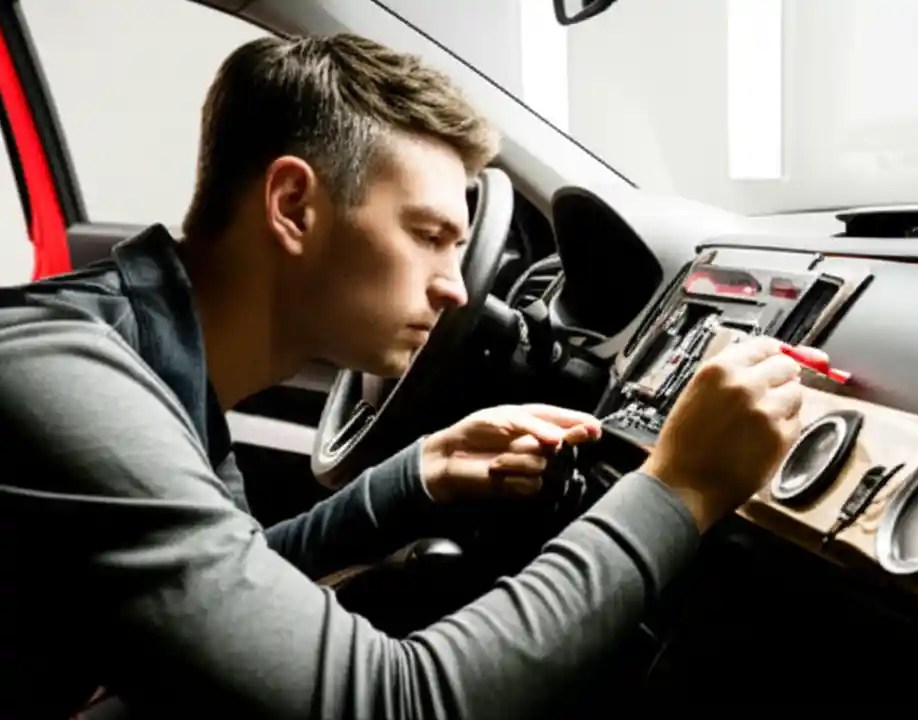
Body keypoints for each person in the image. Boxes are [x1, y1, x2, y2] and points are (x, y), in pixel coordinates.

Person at [0, 33, 813, 719]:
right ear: (292, 205)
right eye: (429, 235)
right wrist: (680, 491)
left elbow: (224, 582)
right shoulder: (62, 384)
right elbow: (395, 703)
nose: (457, 287)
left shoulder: (143, 354)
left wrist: (412, 480)